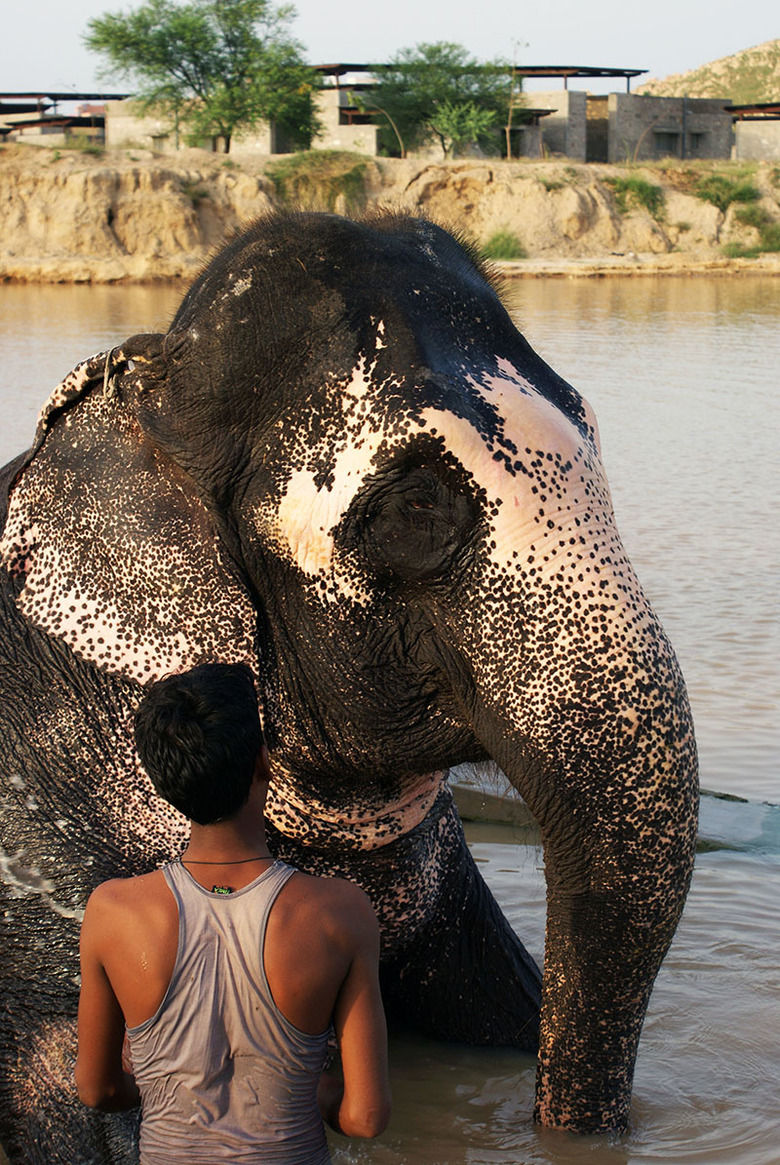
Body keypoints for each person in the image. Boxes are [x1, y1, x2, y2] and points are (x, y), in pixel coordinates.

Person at [75, 662, 390, 1164]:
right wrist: (317, 1091)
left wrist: (161, 1086)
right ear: (263, 762)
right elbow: (366, 1118)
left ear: (164, 780)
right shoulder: (340, 912)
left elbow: (96, 1090)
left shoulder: (112, 912)